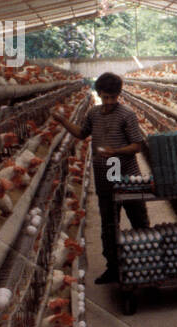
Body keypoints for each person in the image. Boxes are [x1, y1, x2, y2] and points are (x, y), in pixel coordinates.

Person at [52, 72, 150, 284]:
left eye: (113, 98)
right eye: (105, 97)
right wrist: (62, 121)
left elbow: (137, 145)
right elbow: (81, 133)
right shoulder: (94, 114)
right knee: (108, 223)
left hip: (127, 176)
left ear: (119, 95)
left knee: (139, 219)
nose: (109, 102)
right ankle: (113, 267)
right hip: (105, 175)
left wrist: (116, 151)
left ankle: (147, 263)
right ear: (98, 94)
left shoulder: (127, 115)